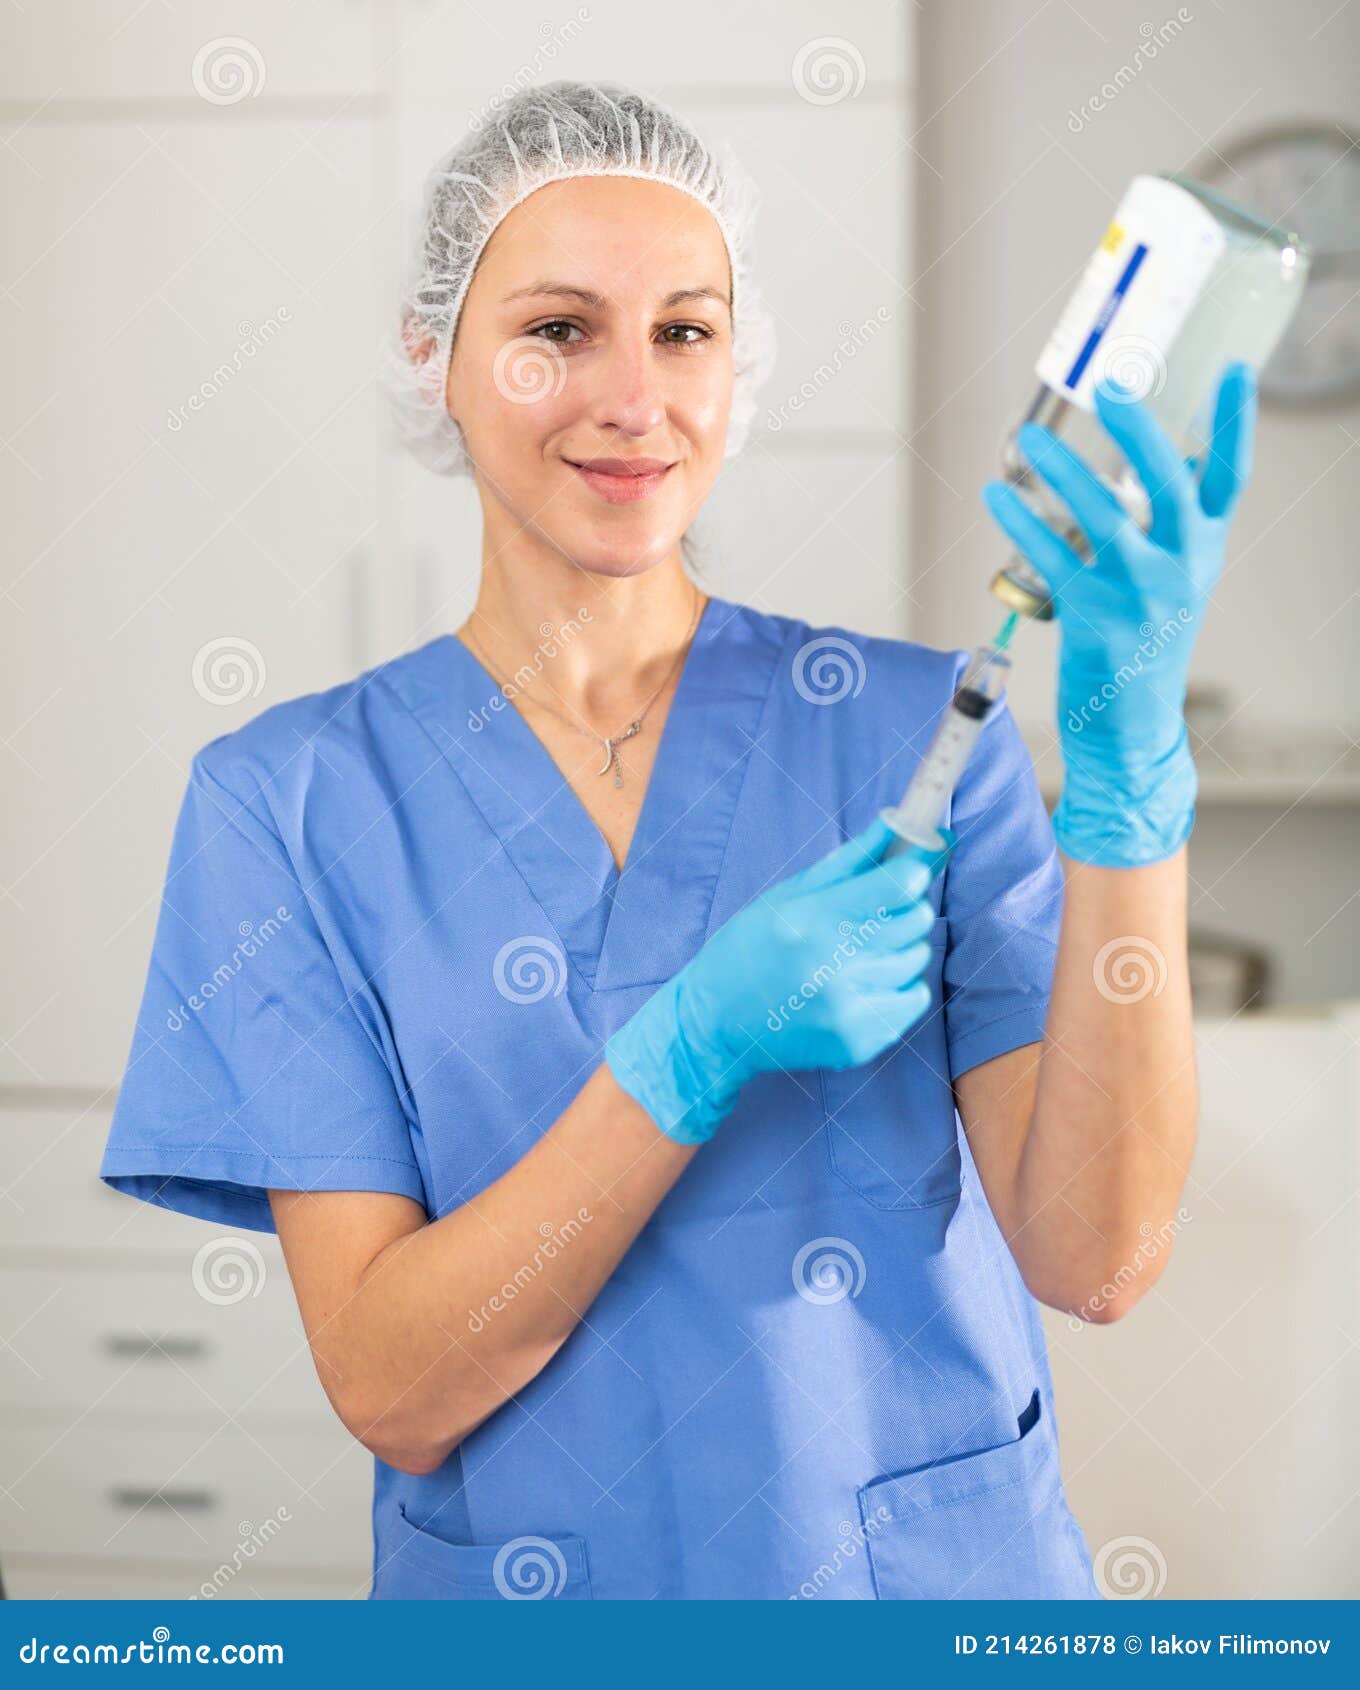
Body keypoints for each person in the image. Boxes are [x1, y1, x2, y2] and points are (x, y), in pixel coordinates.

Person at [100, 80, 1256, 1601]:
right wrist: (688, 1048)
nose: (634, 397)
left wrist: (1127, 784)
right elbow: (391, 1382)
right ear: (432, 354)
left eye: (686, 330)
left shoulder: (928, 737)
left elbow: (1098, 1255)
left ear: (740, 363)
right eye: (560, 328)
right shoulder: (292, 804)